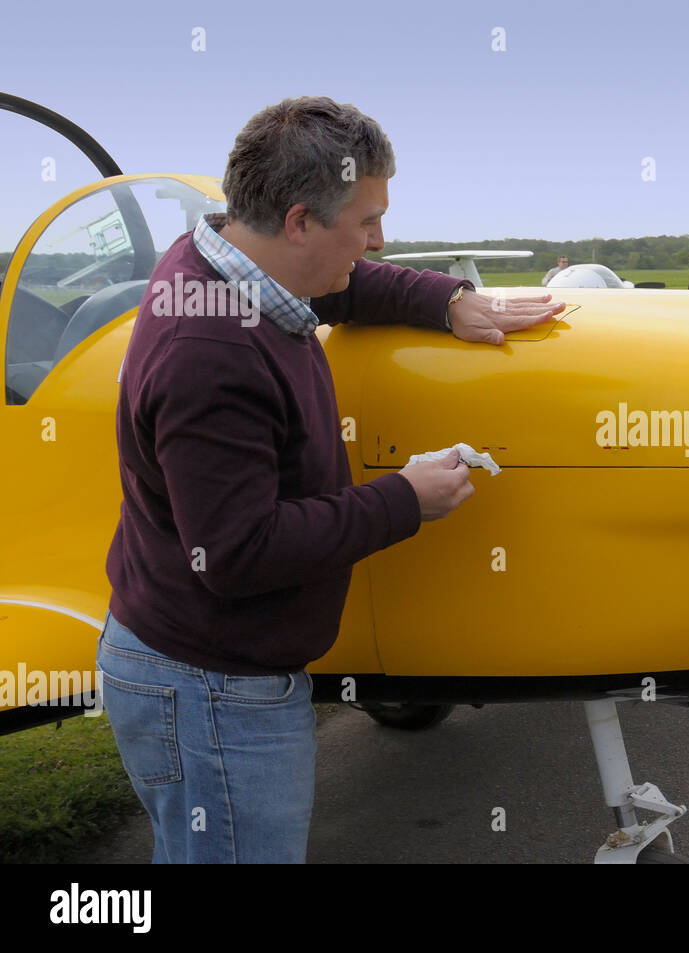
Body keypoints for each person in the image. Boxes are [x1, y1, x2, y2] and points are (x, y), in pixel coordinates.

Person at [97, 96, 564, 863]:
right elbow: (238, 554)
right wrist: (404, 499)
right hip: (212, 690)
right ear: (299, 220)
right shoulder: (208, 354)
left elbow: (338, 284)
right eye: (367, 222)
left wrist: (446, 300)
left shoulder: (223, 260)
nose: (381, 240)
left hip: (201, 668)